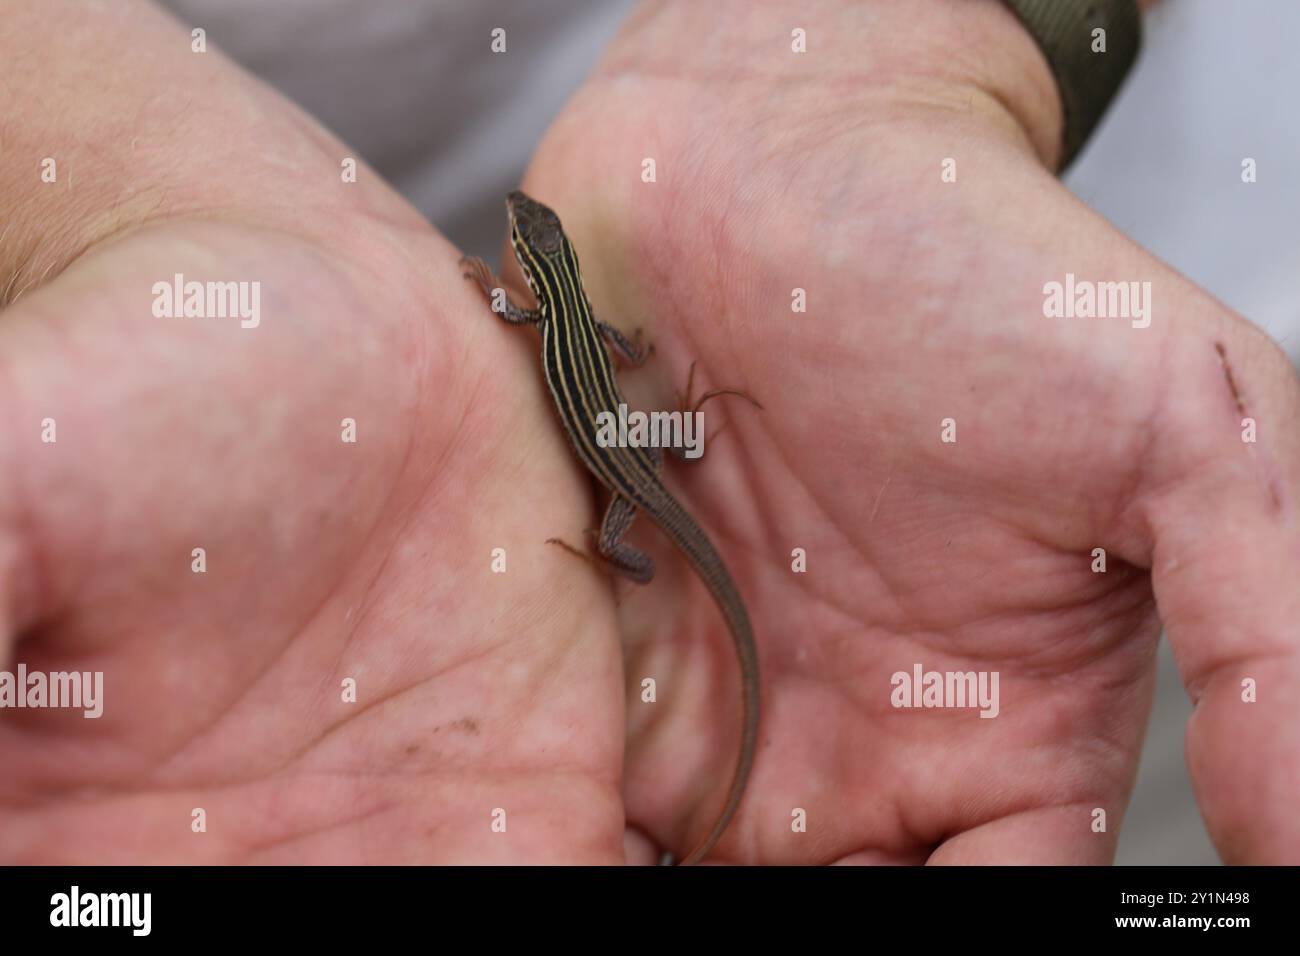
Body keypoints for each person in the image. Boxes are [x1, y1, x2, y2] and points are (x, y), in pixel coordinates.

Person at [0, 0, 1294, 865]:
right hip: (551, 404)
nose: (530, 257)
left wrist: (884, 46)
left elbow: (539, 319)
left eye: (530, 258)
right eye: (533, 259)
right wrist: (108, 178)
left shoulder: (530, 306)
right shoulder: (555, 313)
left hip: (995, 475)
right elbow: (587, 341)